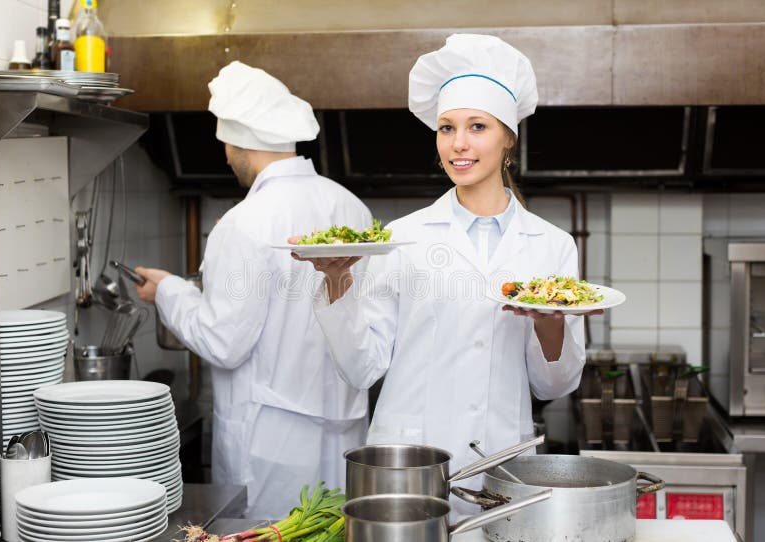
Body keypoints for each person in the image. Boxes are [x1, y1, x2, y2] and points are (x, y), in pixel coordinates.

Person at [293, 34, 600, 509]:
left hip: (498, 460)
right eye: (446, 128)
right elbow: (362, 367)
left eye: (477, 126)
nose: (458, 144)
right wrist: (337, 281)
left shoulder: (552, 246)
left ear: (508, 138)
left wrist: (549, 322)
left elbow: (553, 386)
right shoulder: (402, 237)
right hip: (408, 466)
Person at [134, 61, 371, 519]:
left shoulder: (245, 222)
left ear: (238, 142)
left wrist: (169, 292)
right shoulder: (351, 207)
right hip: (345, 435)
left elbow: (224, 343)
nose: (225, 156)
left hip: (270, 443)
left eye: (225, 144)